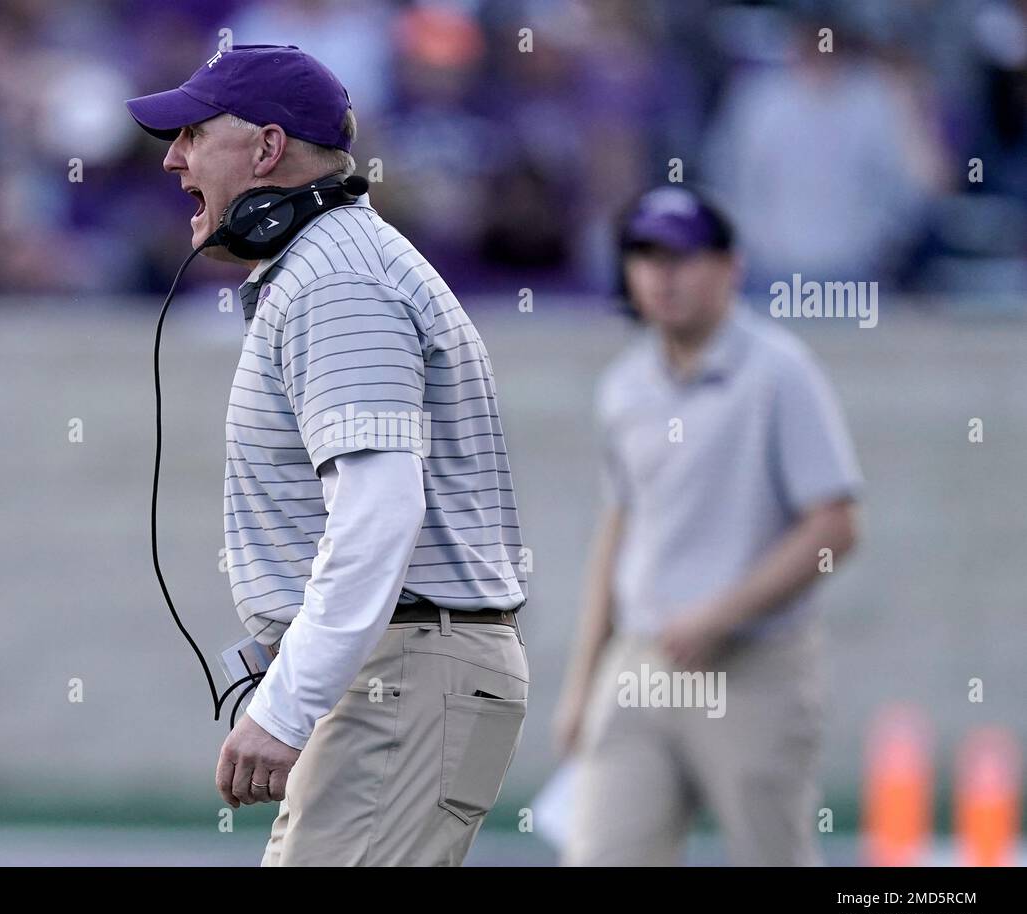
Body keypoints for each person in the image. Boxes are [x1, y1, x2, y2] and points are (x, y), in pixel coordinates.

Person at [127, 44, 529, 866]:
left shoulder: (339, 281)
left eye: (193, 134)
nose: (173, 159)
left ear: (267, 150)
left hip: (403, 678)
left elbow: (381, 513)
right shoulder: (335, 265)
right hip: (394, 675)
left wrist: (287, 706)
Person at [554, 185, 863, 865]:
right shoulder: (625, 386)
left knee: (769, 855)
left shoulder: (780, 372)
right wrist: (584, 682)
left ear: (731, 267)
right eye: (646, 256)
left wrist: (719, 615)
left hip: (753, 666)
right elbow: (618, 533)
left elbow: (835, 526)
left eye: (684, 256)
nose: (663, 275)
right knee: (603, 852)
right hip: (642, 663)